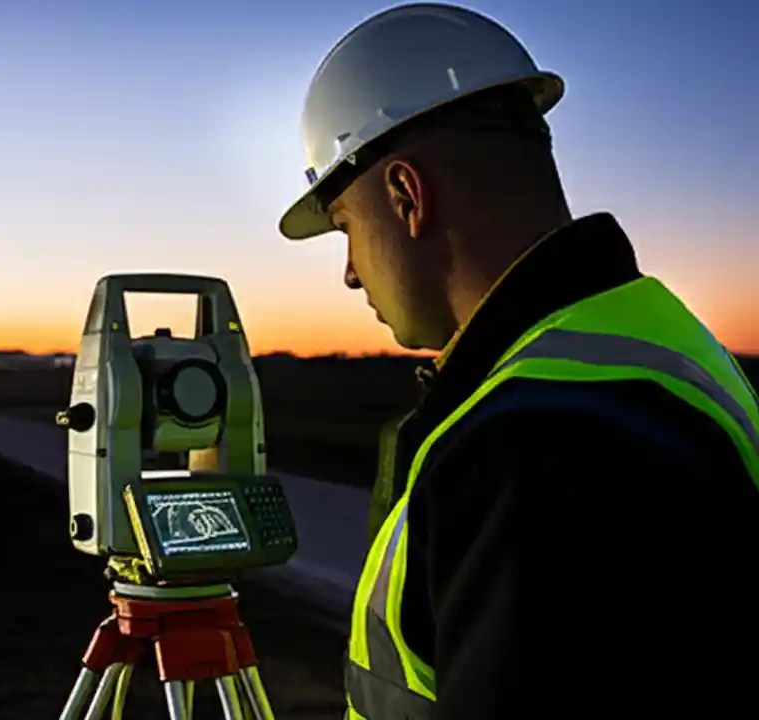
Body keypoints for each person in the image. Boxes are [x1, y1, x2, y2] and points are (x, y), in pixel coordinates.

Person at [276, 3, 759, 718]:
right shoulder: (649, 341)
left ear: (407, 196)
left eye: (346, 226)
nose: (350, 272)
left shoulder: (530, 452)